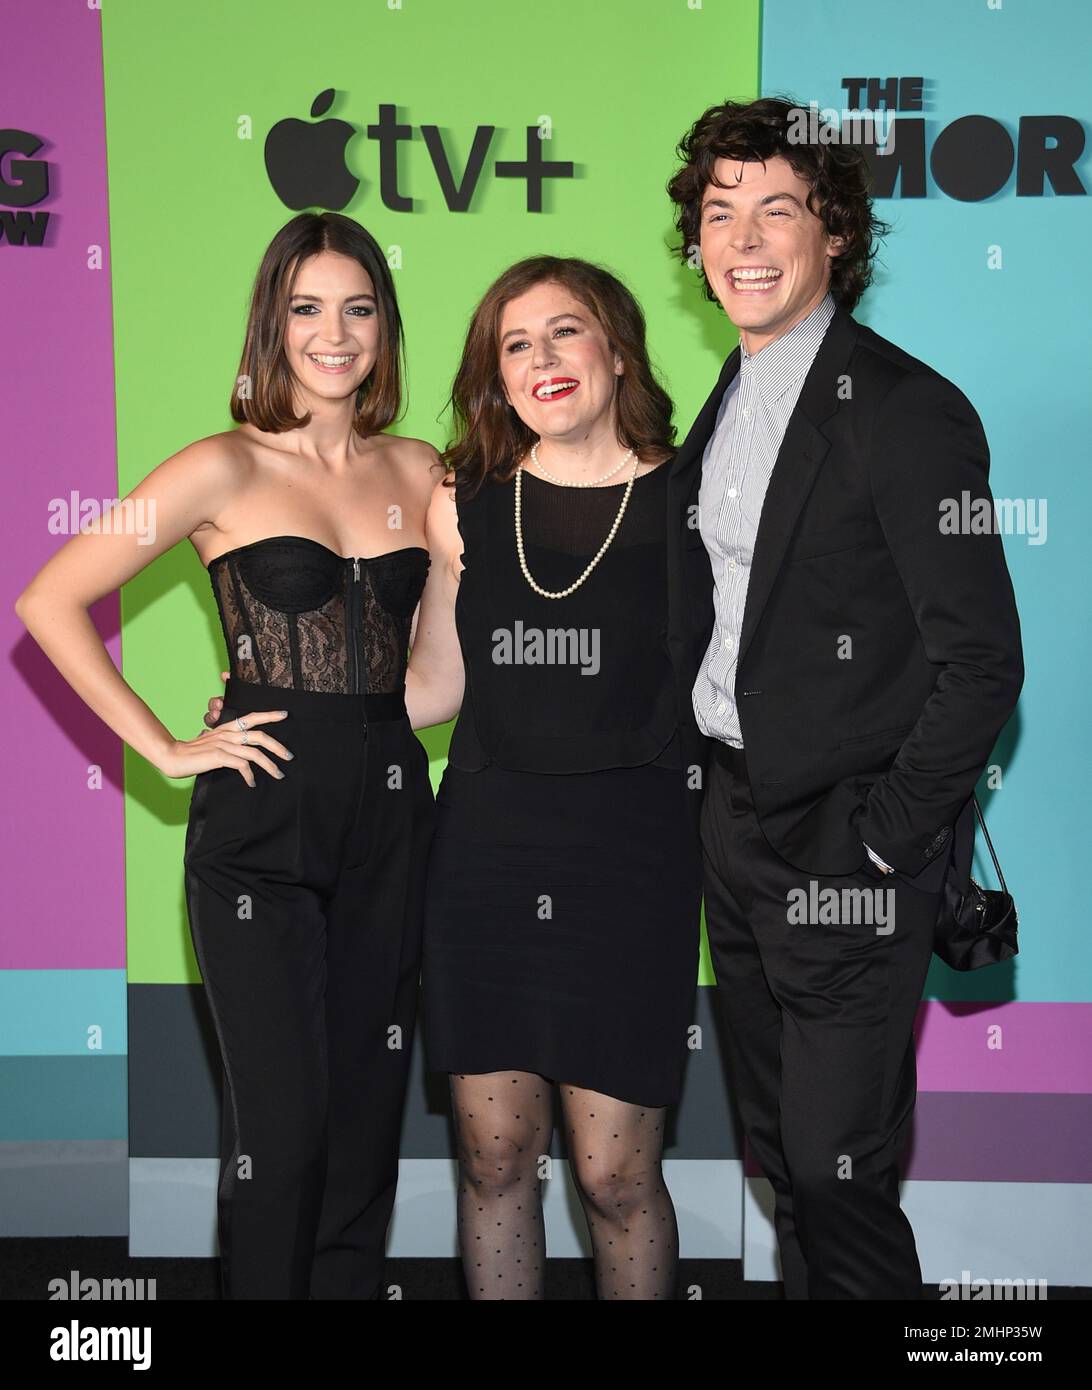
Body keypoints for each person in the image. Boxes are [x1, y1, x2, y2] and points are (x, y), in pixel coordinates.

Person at [15, 212, 440, 1299]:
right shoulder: (221, 465)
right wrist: (160, 743)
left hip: (393, 820)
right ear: (272, 324)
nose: (333, 333)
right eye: (306, 308)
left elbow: (434, 679)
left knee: (363, 1131)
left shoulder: (421, 469)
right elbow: (49, 600)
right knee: (283, 1135)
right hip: (259, 830)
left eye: (357, 308)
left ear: (385, 328)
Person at [663, 96, 1024, 1298]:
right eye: (721, 213)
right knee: (783, 1158)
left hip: (847, 843)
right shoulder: (724, 400)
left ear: (835, 238)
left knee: (834, 1171)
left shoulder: (909, 411)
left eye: (779, 208)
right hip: (735, 826)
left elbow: (982, 663)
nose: (744, 238)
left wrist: (881, 842)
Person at [408, 257, 704, 1299]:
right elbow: (434, 688)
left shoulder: (695, 500)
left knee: (616, 1173)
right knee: (495, 1161)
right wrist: (287, 709)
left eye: (565, 332)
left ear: (616, 350)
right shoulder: (463, 505)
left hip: (634, 857)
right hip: (487, 851)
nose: (542, 359)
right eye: (515, 344)